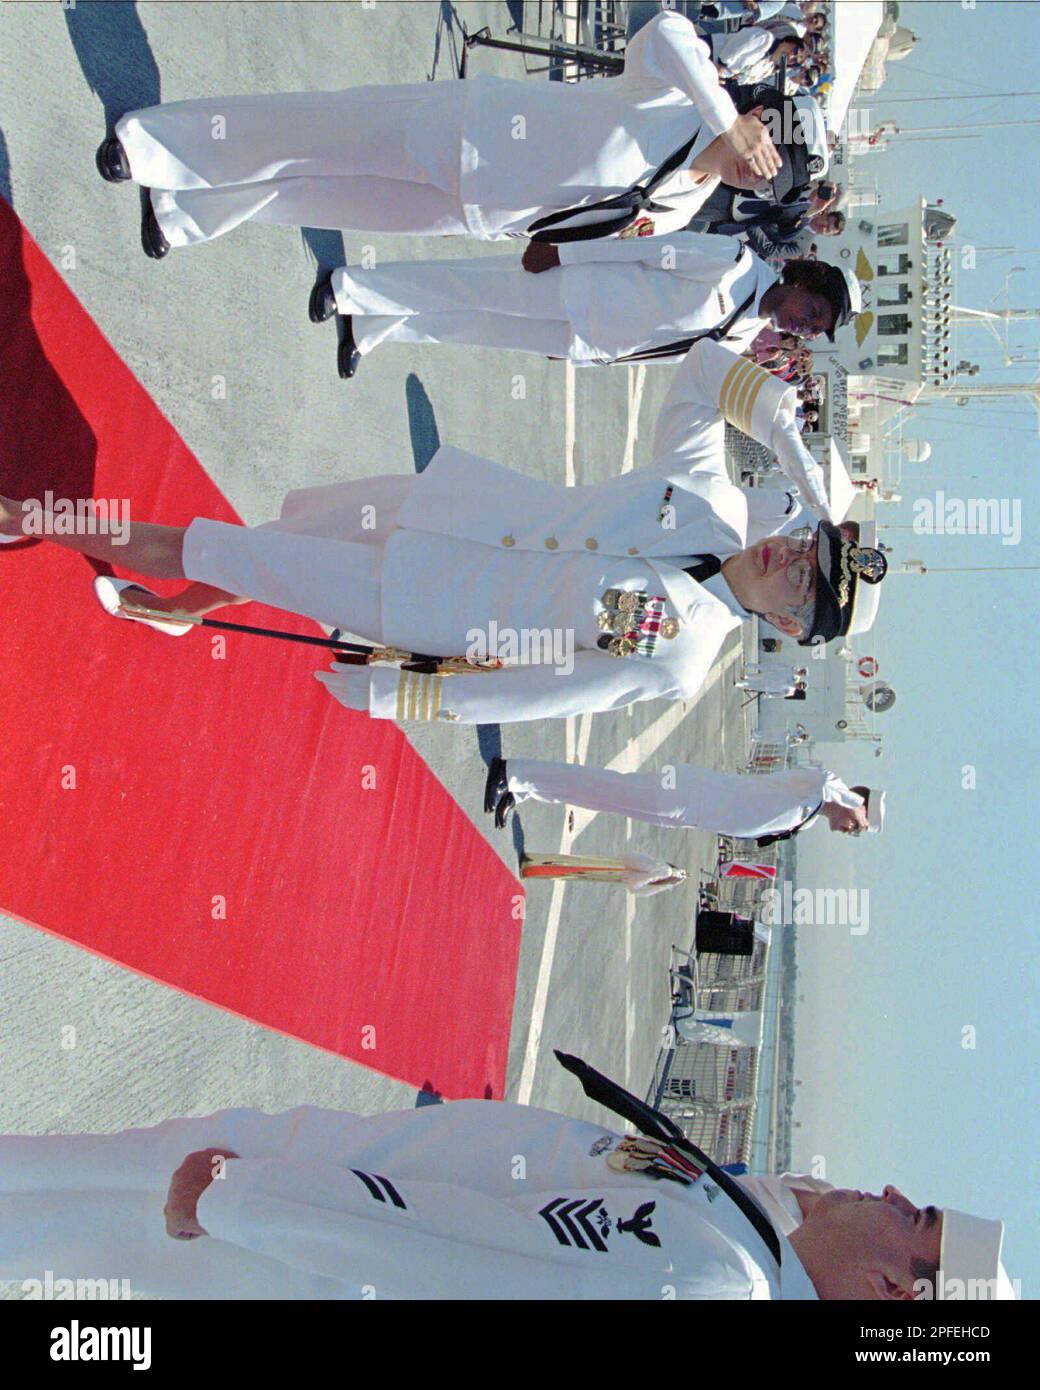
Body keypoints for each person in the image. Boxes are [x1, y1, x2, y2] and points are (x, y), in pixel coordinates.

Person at [4, 342, 881, 728]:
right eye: (813, 549)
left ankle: (27, 520)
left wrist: (409, 692)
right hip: (441, 507)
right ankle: (179, 614)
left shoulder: (680, 654)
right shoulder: (708, 503)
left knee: (225, 547)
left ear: (794, 630)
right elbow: (696, 373)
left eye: (807, 586)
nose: (794, 560)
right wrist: (791, 443)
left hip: (415, 602)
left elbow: (536, 691)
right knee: (279, 533)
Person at [0, 1082, 1013, 1299]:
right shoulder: (751, 1246)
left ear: (894, 1289)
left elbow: (458, 1258)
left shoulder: (718, 1281)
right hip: (303, 1188)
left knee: (45, 1229)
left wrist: (244, 1195)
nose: (887, 1190)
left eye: (911, 1215)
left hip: (243, 1238)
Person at [95, 9, 780, 258]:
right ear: (755, 117)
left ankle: (187, 209)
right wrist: (722, 115)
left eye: (780, 174)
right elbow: (665, 32)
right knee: (316, 133)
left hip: (478, 212)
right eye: (774, 144)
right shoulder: (683, 100)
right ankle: (155, 145)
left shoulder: (684, 209)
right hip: (469, 131)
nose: (763, 166)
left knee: (320, 197)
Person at [314, 238, 859, 378]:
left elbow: (665, 356)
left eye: (813, 329)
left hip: (586, 340)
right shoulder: (734, 262)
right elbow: (646, 246)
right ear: (804, 280)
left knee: (471, 326)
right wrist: (565, 252)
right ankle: (349, 286)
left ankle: (370, 328)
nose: (803, 326)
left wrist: (593, 360)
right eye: (812, 310)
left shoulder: (745, 337)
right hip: (576, 288)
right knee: (463, 286)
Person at [483, 755, 885, 843]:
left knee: (601, 798)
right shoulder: (818, 788)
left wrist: (854, 808)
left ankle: (523, 786)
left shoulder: (810, 815)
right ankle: (512, 773)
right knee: (602, 787)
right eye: (859, 826)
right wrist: (855, 801)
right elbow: (831, 780)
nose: (851, 831)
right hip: (688, 793)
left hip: (688, 812)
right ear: (857, 802)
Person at [518, 850, 688, 896]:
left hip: (620, 869)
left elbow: (637, 861)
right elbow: (638, 888)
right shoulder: (664, 881)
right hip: (621, 875)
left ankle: (532, 863)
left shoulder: (665, 870)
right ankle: (532, 869)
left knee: (574, 865)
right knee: (574, 871)